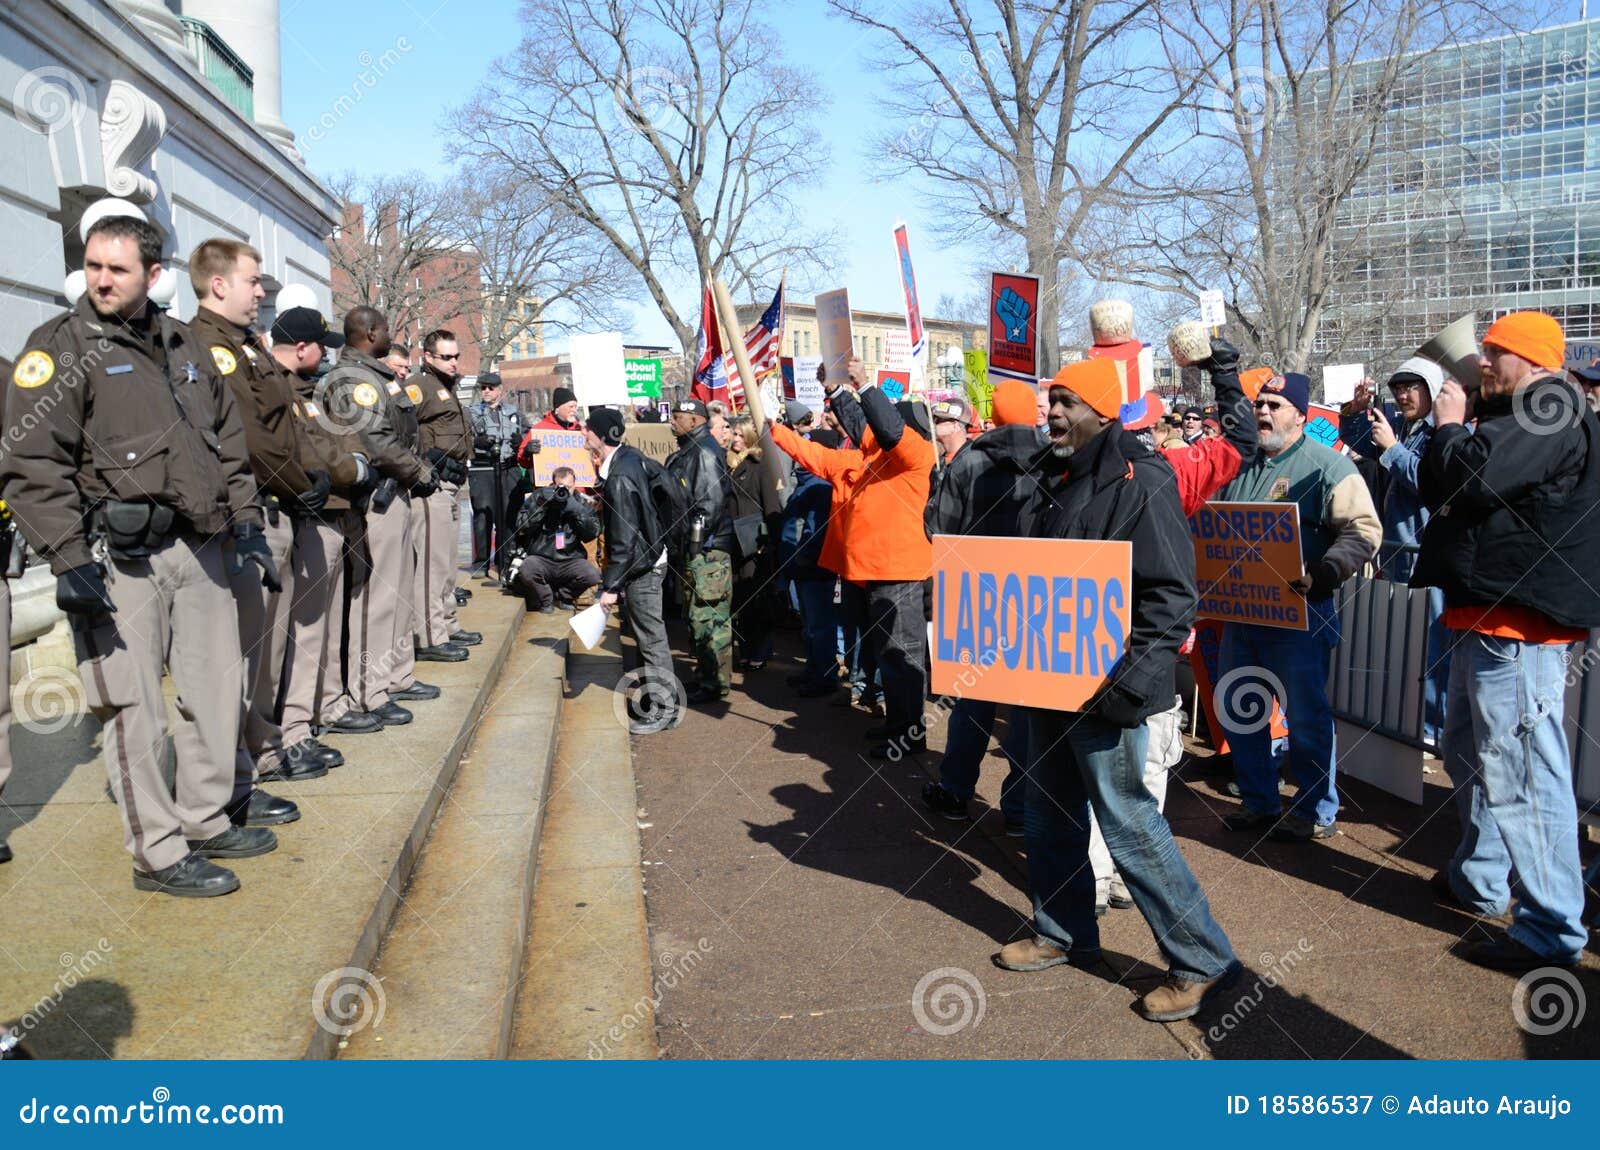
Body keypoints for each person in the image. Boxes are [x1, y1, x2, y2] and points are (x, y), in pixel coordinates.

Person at [3, 214, 272, 897]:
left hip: (200, 545)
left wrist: (245, 524)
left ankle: (205, 818)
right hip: (119, 559)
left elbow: (226, 441)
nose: (100, 280)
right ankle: (156, 851)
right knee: (132, 709)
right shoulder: (60, 348)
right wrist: (67, 559)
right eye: (93, 265)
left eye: (116, 269)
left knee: (215, 691)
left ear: (153, 276)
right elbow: (33, 462)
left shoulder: (183, 343)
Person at [994, 356, 1239, 1022]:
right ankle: (1064, 931)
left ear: (1103, 411)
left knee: (1129, 825)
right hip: (1046, 677)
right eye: (1050, 402)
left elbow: (1171, 595)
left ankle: (1202, 959)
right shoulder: (1049, 476)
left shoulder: (1144, 479)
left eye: (1067, 402)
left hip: (1111, 686)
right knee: (1049, 814)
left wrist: (1128, 678)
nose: (1053, 413)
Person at [1414, 311, 1600, 971]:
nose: (1482, 362)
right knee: (1472, 752)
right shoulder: (1529, 412)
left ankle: (1551, 934)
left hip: (1517, 623)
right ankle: (1480, 876)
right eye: (1483, 351)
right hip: (1489, 617)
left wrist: (1446, 426)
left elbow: (1471, 479)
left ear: (1534, 361)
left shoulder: (1552, 407)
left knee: (1523, 774)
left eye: (1495, 353)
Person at [1215, 371, 1381, 840]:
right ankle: (1259, 802)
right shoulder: (1239, 463)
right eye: (1260, 403)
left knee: (1304, 715)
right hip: (1242, 612)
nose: (1263, 411)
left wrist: (1325, 572)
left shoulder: (1327, 466)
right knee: (1239, 710)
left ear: (1301, 417)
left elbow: (1364, 531)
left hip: (1300, 613)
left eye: (1275, 405)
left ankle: (1315, 811)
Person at [188, 239, 322, 811]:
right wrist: (299, 481)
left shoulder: (246, 347)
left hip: (274, 507)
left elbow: (281, 428)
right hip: (253, 511)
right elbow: (249, 441)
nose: (262, 289)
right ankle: (240, 773)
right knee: (244, 654)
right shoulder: (209, 348)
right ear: (220, 284)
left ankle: (261, 751)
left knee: (264, 650)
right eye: (253, 280)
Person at [770, 358, 934, 757]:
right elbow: (828, 453)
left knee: (902, 658)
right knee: (889, 657)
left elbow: (888, 429)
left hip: (900, 575)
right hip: (874, 575)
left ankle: (908, 737)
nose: (872, 431)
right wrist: (833, 391)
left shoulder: (917, 455)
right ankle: (897, 724)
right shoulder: (871, 459)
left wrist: (862, 383)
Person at [922, 379, 1039, 829]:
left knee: (972, 700)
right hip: (1034, 599)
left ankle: (955, 790)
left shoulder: (969, 460)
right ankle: (1020, 808)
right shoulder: (1054, 459)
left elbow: (938, 529)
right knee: (1028, 707)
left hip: (978, 600)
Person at [269, 306, 379, 759]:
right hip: (304, 516)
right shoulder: (280, 389)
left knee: (326, 623)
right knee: (303, 629)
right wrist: (350, 470)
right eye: (321, 346)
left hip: (332, 513)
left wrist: (356, 466)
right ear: (301, 347)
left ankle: (326, 705)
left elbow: (340, 439)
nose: (328, 355)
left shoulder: (311, 391)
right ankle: (293, 727)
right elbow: (309, 451)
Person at [329, 306, 440, 727]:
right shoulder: (352, 379)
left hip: (397, 492)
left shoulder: (374, 376)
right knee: (376, 598)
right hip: (375, 496)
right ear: (370, 332)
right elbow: (375, 441)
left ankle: (396, 676)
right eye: (386, 330)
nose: (391, 336)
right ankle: (369, 690)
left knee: (397, 595)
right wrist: (418, 472)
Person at [1340, 359, 1450, 744]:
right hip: (1397, 554)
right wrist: (1355, 411)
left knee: (1434, 643)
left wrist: (1392, 449)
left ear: (1431, 391)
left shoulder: (1442, 433)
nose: (1403, 394)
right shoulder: (1403, 426)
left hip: (1428, 557)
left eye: (1412, 387)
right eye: (1398, 387)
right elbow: (1359, 445)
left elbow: (1428, 482)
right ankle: (1409, 718)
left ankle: (1434, 727)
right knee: (1406, 642)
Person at [586, 407, 679, 734]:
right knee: (647, 635)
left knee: (651, 638)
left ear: (599, 436)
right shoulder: (631, 459)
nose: (585, 435)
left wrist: (611, 586)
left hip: (643, 565)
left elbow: (624, 539)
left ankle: (664, 709)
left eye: (588, 431)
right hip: (649, 559)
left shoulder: (622, 475)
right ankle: (658, 702)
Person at [414, 330, 481, 652]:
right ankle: (432, 635)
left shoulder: (446, 387)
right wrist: (429, 461)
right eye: (446, 357)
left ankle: (448, 623)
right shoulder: (420, 386)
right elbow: (404, 429)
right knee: (434, 565)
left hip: (453, 483)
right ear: (428, 357)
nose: (454, 362)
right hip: (434, 485)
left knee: (449, 562)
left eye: (456, 356)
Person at [665, 398, 737, 703]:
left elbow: (710, 503)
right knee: (698, 616)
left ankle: (716, 683)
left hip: (707, 551)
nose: (671, 421)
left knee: (710, 616)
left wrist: (694, 546)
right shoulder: (689, 450)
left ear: (694, 421)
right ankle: (705, 676)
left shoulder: (704, 452)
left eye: (677, 416)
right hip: (695, 550)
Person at [777, 428, 841, 696]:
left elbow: (817, 529)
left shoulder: (820, 484)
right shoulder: (807, 481)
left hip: (813, 567)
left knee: (819, 624)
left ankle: (824, 676)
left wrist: (803, 557)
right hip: (802, 565)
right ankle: (814, 669)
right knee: (809, 624)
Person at [727, 415, 782, 671]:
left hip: (755, 544)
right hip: (734, 542)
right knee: (740, 600)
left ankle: (760, 650)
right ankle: (746, 650)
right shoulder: (729, 464)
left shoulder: (759, 465)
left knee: (757, 600)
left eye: (740, 434)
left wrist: (768, 542)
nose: (735, 439)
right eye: (733, 434)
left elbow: (772, 506)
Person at [508, 466, 601, 612]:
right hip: (542, 557)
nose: (564, 492)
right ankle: (546, 598)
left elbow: (592, 533)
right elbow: (521, 527)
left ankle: (565, 596)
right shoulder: (540, 497)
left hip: (570, 559)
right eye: (559, 487)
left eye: (568, 487)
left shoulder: (580, 502)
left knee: (592, 574)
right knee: (527, 568)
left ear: (575, 484)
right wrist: (541, 505)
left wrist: (576, 510)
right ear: (553, 484)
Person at [469, 373, 527, 578]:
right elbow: (462, 440)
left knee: (509, 515)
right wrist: (476, 443)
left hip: (508, 468)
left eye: (490, 387)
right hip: (483, 468)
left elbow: (528, 439)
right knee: (483, 515)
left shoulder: (515, 413)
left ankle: (505, 561)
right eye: (483, 387)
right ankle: (481, 563)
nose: (486, 391)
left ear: (500, 390)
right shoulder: (471, 413)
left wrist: (522, 443)